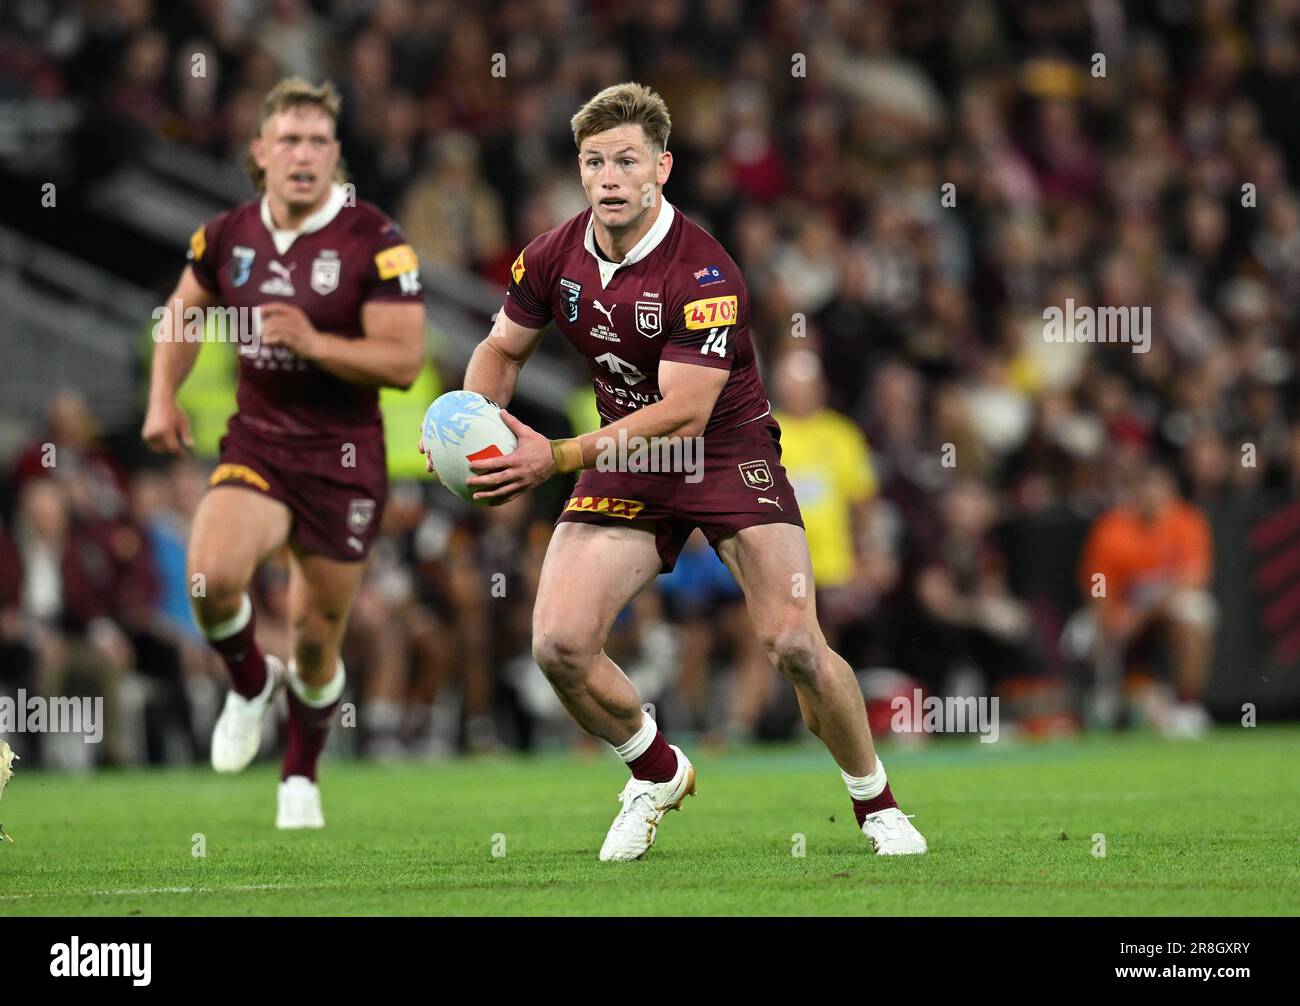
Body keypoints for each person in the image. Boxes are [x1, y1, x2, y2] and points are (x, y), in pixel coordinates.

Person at [421, 82, 925, 859]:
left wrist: (553, 456)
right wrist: (467, 426)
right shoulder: (551, 256)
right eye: (594, 162)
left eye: (627, 160)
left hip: (724, 453)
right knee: (557, 644)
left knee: (792, 640)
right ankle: (655, 769)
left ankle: (876, 803)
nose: (610, 177)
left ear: (662, 167)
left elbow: (684, 414)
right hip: (628, 460)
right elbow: (499, 350)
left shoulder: (707, 272)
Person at [142, 77, 425, 827]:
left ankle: (300, 773)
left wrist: (313, 342)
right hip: (260, 445)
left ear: (336, 155)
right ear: (260, 152)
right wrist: (162, 399)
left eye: (319, 141)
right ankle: (244, 682)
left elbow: (401, 362)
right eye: (290, 140)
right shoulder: (227, 234)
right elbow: (182, 312)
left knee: (313, 638)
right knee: (210, 580)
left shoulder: (377, 240)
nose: (304, 154)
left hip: (344, 461)